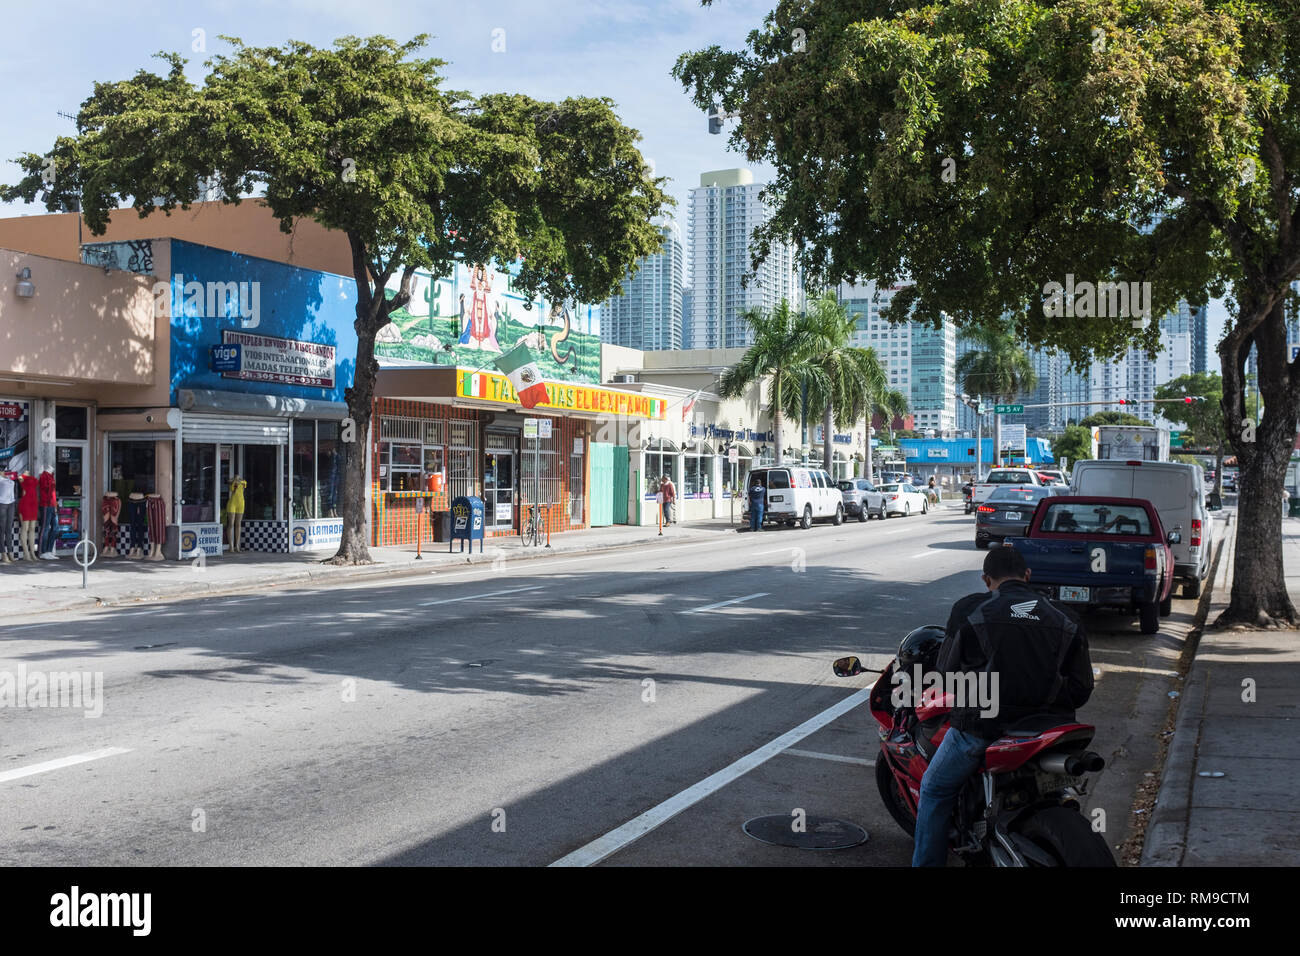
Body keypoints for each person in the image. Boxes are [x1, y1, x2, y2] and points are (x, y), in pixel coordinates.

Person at [912, 545, 1094, 867]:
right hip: (1049, 729)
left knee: (934, 789)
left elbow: (947, 677)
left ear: (986, 579)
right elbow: (1081, 688)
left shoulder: (970, 611)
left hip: (983, 730)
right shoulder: (1066, 616)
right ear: (1027, 576)